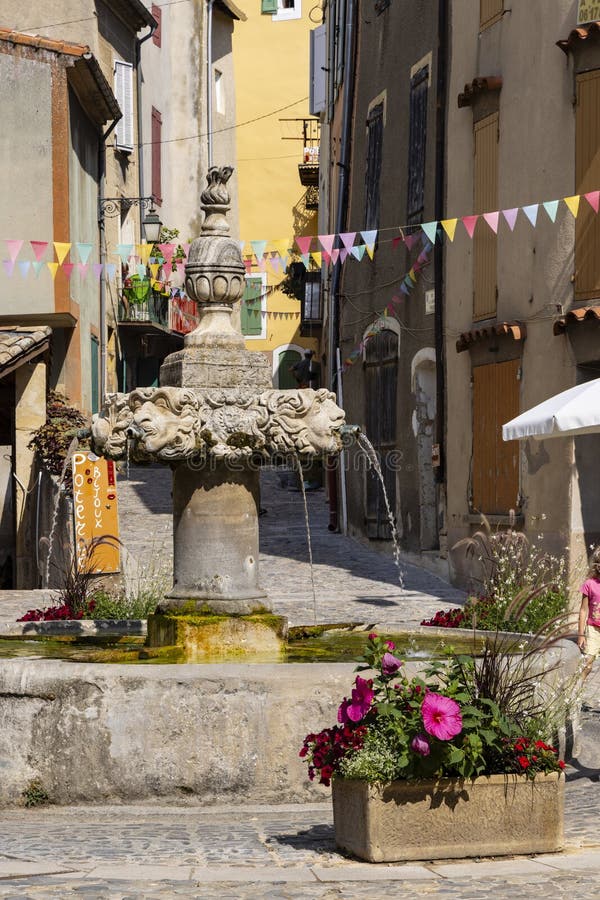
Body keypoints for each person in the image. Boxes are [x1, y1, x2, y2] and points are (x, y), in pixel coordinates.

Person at [577, 547, 600, 679]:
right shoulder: (589, 584)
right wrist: (581, 634)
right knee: (587, 665)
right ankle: (576, 689)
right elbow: (583, 610)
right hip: (593, 630)